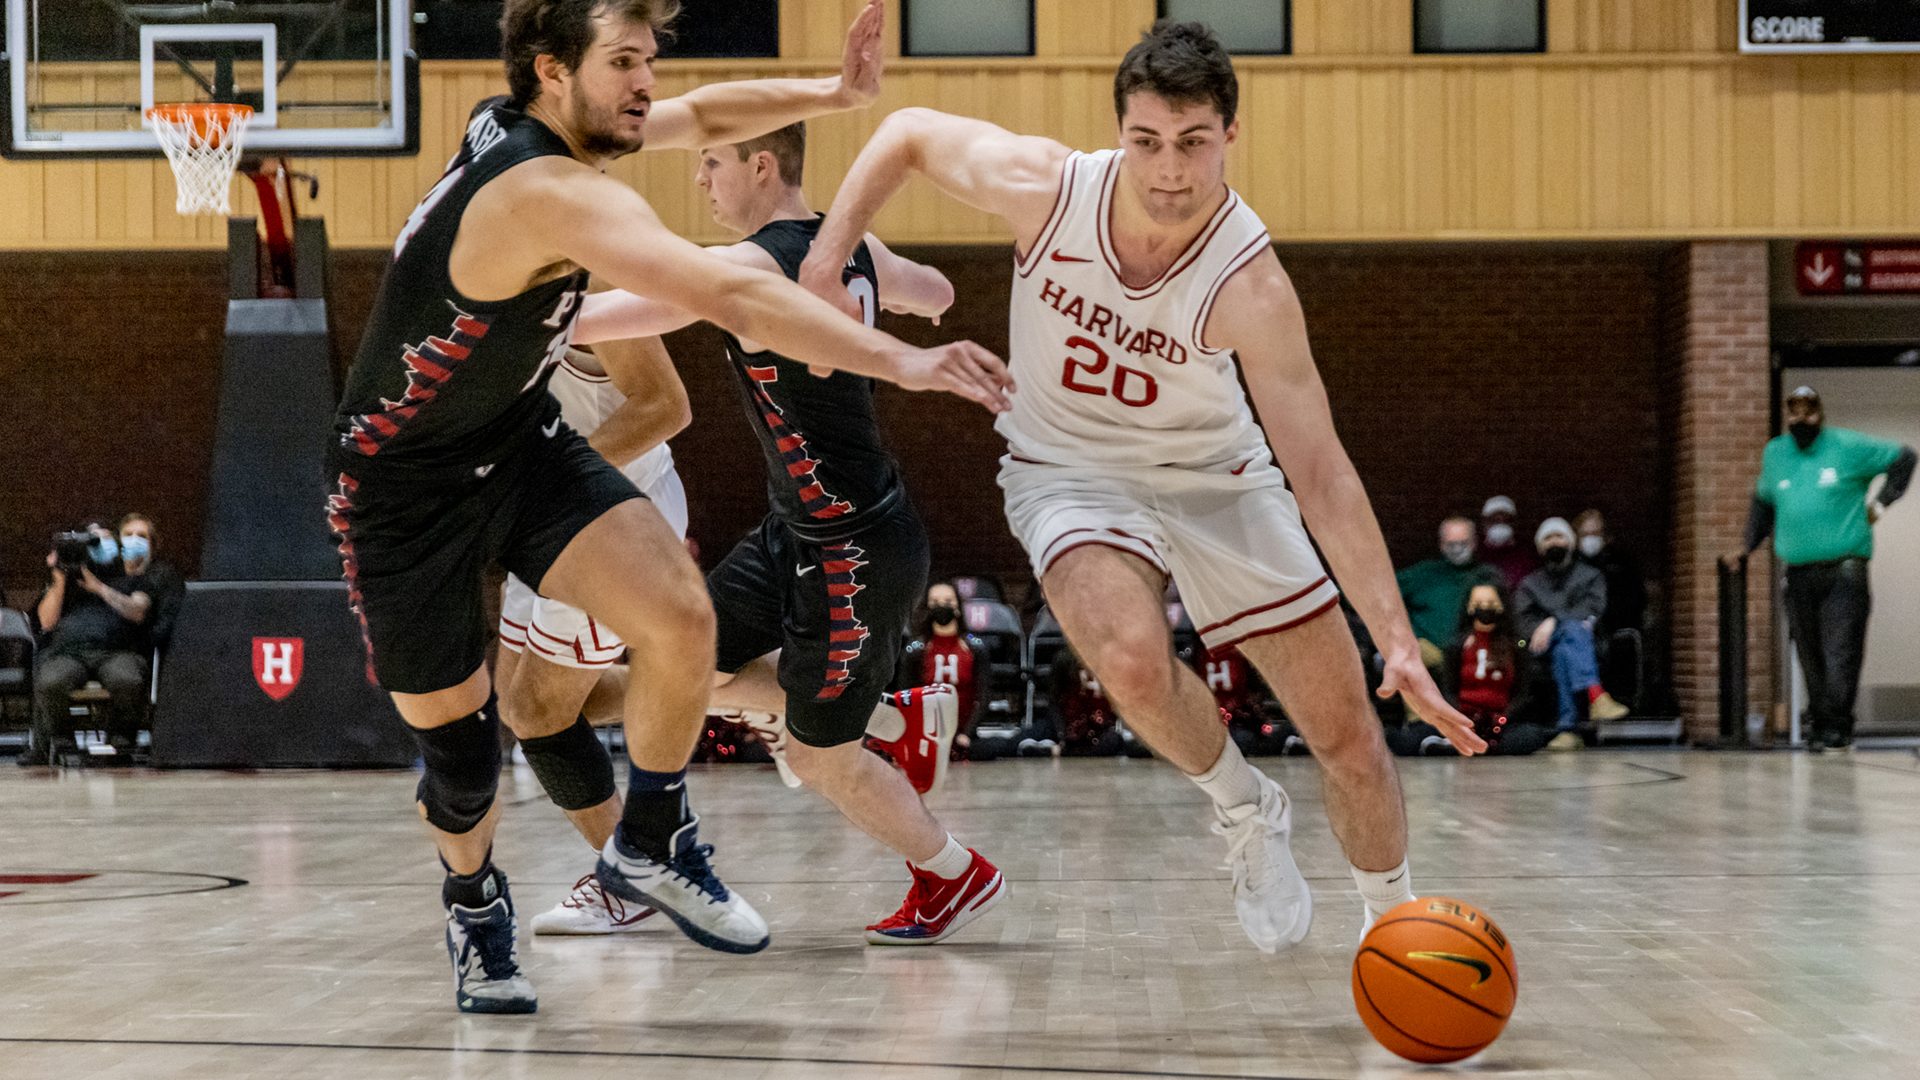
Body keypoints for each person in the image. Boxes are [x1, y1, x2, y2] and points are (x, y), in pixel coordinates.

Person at [325, 0, 1012, 1013]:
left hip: (518, 448)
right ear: (555, 72)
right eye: (625, 62)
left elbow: (705, 114)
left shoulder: (517, 117)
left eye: (649, 59)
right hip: (400, 491)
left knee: (681, 618)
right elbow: (739, 298)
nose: (648, 84)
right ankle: (475, 908)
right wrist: (902, 359)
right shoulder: (554, 195)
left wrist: (832, 92)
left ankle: (649, 842)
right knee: (466, 760)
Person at [795, 20, 1485, 954]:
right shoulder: (1049, 189)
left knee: (1351, 737)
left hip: (1217, 481)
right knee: (1124, 656)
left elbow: (1320, 470)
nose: (1168, 169)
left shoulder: (1252, 284)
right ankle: (1244, 808)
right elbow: (906, 132)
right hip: (1069, 472)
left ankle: (1392, 928)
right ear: (1120, 131)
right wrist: (826, 263)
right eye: (1147, 141)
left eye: (1193, 143)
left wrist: (1396, 639)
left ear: (1229, 137)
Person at [573, 118, 1003, 946]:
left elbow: (625, 312)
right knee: (680, 658)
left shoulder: (755, 262)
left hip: (857, 549)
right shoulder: (849, 251)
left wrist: (526, 314)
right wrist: (864, 273)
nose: (700, 180)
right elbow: (941, 293)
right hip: (794, 533)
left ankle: (954, 874)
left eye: (711, 162)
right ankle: (891, 721)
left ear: (761, 165)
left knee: (816, 760)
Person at [489, 336, 689, 938]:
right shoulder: (483, 275)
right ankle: (767, 697)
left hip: (612, 515)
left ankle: (635, 876)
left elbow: (665, 405)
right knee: (520, 698)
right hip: (550, 514)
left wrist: (549, 481)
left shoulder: (592, 275)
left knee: (539, 710)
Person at [1729, 385, 1916, 751]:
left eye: (1809, 411)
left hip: (1843, 570)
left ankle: (1838, 728)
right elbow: (1763, 504)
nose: (1802, 418)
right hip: (1798, 571)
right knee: (1809, 653)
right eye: (1794, 411)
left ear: (1821, 413)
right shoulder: (1775, 453)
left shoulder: (1847, 446)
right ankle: (1821, 724)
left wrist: (1878, 507)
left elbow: (1905, 458)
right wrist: (1746, 547)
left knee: (1840, 650)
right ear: (1787, 415)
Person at [27, 514, 184, 764]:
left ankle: (120, 744)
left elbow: (138, 610)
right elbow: (46, 622)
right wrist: (59, 576)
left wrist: (99, 587)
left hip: (118, 651)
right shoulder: (75, 570)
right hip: (69, 651)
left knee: (128, 680)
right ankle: (64, 741)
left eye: (141, 537)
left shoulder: (139, 574)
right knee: (51, 681)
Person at [1515, 517, 1629, 749]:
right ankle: (1595, 694)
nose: (1554, 541)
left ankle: (1568, 730)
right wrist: (1547, 626)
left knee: (1566, 646)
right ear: (1540, 546)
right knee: (1568, 633)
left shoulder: (1591, 576)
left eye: (1559, 536)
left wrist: (1552, 622)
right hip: (1540, 648)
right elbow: (1521, 620)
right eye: (1548, 538)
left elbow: (1592, 610)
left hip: (1588, 646)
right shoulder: (1530, 584)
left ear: (1571, 542)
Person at [897, 582, 991, 758]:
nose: (942, 607)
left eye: (947, 601)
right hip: (926, 733)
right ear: (927, 607)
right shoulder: (916, 649)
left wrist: (967, 734)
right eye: (935, 602)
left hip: (965, 734)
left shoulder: (975, 646)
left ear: (958, 606)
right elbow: (905, 695)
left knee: (999, 748)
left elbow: (984, 696)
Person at [1396, 516, 1501, 672]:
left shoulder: (1489, 577)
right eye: (1451, 544)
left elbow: (1508, 624)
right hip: (1427, 660)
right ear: (1442, 545)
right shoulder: (1423, 574)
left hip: (1475, 659)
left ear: (1474, 543)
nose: (1457, 549)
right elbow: (1382, 595)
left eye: (1463, 543)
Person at [1574, 509, 1646, 635]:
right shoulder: (1571, 566)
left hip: (1617, 632)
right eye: (1585, 534)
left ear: (1604, 536)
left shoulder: (1621, 564)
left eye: (1595, 533)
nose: (1589, 539)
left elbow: (1637, 598)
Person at [1477, 495, 1537, 591]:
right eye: (1495, 520)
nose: (1500, 525)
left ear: (1514, 524)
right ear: (1484, 524)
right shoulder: (1477, 555)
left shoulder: (1526, 556)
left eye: (1505, 520)